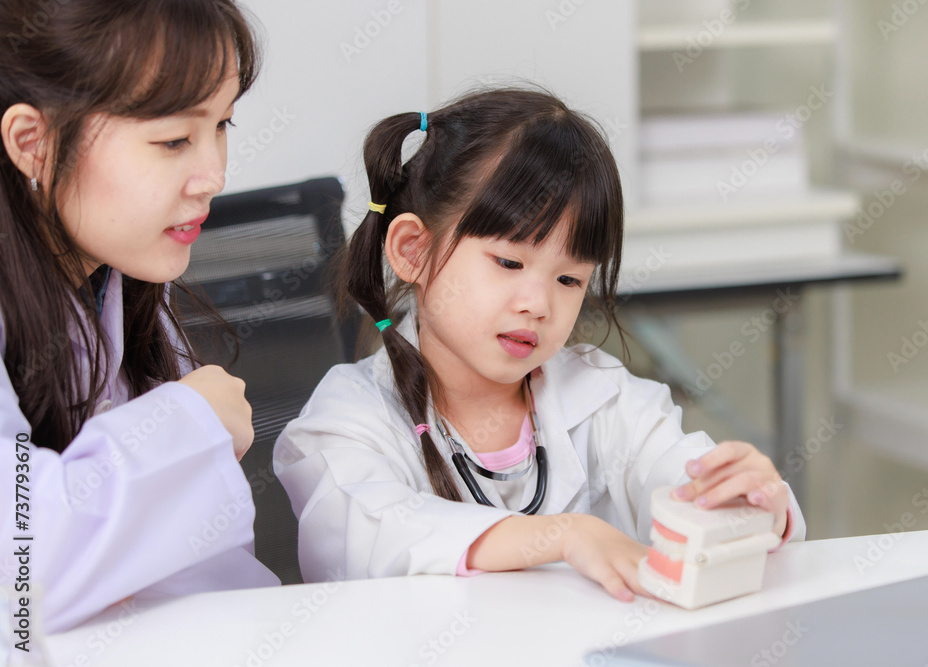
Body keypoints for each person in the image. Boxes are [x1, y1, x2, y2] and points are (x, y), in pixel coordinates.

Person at [275, 88, 805, 601]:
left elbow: (676, 477)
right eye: (509, 263)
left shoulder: (604, 398)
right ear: (413, 250)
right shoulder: (347, 420)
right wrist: (562, 535)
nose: (539, 304)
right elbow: (365, 539)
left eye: (569, 280)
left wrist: (744, 503)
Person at [0, 0, 279, 633]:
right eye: (174, 139)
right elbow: (20, 568)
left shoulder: (121, 287)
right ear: (33, 144)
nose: (213, 176)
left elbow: (208, 574)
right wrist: (189, 424)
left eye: (223, 126)